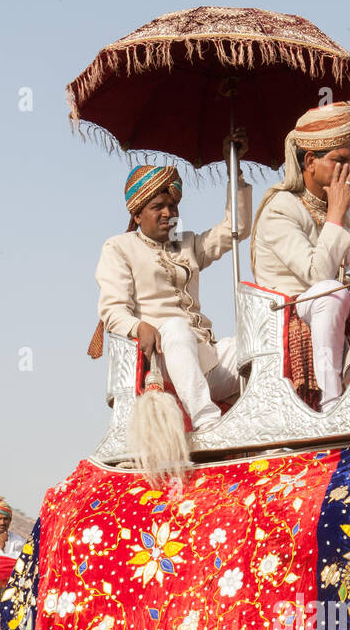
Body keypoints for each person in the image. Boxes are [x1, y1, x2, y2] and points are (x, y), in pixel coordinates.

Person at [94, 133, 252, 432]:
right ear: (137, 214)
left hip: (205, 359)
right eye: (158, 207)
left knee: (253, 343)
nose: (169, 213)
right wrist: (138, 327)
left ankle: (256, 426)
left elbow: (237, 228)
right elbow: (112, 310)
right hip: (162, 360)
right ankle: (208, 424)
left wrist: (235, 168)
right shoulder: (119, 247)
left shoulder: (186, 243)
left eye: (173, 206)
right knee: (176, 328)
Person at [249, 93, 350, 412]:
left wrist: (338, 212)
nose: (347, 173)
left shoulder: (338, 204)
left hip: (326, 309)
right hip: (286, 312)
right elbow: (319, 276)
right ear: (310, 161)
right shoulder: (281, 208)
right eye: (339, 161)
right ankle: (332, 404)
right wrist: (336, 216)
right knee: (330, 292)